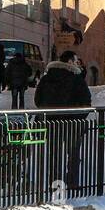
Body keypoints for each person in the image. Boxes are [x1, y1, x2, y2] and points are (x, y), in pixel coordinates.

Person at [35, 51, 92, 194]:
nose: (77, 63)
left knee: (54, 155)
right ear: (70, 62)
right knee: (73, 156)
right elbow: (86, 102)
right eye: (76, 60)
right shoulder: (76, 78)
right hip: (72, 123)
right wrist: (79, 117)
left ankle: (55, 185)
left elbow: (38, 100)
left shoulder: (46, 78)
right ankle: (72, 184)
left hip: (51, 123)